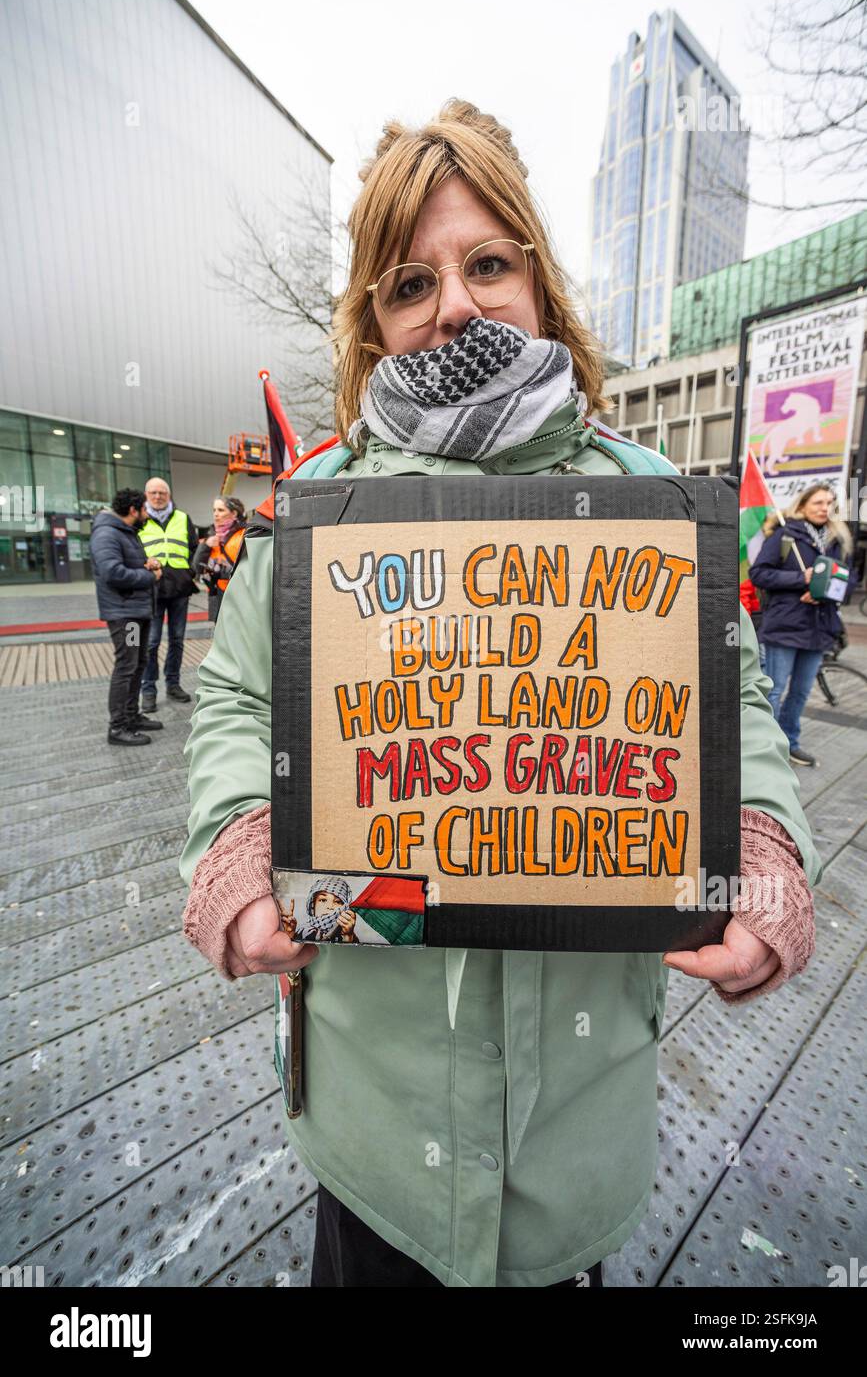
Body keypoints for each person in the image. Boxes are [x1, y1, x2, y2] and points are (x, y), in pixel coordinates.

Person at [178, 101, 821, 1289]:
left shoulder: (654, 509)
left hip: (567, 1146)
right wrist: (237, 842)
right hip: (377, 1140)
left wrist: (765, 851)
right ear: (374, 320)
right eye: (410, 282)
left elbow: (732, 715)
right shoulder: (315, 515)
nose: (455, 304)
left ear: (538, 276)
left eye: (485, 264)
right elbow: (235, 701)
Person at [750, 483, 855, 767]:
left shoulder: (837, 540)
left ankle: (789, 743)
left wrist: (828, 590)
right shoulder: (786, 535)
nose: (824, 508)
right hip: (785, 625)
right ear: (803, 505)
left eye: (829, 503)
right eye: (818, 502)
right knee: (774, 689)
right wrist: (802, 580)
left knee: (800, 692)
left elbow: (850, 578)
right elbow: (759, 573)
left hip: (820, 627)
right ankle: (765, 746)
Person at [90, 488, 165, 746]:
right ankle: (118, 727)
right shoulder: (107, 534)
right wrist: (149, 576)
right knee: (127, 666)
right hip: (126, 615)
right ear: (133, 510)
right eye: (144, 509)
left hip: (136, 611)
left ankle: (132, 717)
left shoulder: (125, 533)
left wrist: (147, 564)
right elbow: (112, 573)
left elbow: (125, 566)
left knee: (138, 663)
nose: (147, 514)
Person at [138, 476, 199, 710]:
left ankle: (173, 684)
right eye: (153, 493)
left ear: (169, 495)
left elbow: (194, 548)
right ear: (146, 496)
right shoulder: (141, 519)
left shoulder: (183, 518)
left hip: (179, 589)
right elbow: (134, 549)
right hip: (151, 588)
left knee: (176, 640)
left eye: (162, 493)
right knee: (151, 642)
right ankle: (148, 689)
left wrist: (191, 571)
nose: (157, 497)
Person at [193, 496, 247, 622]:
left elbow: (248, 571)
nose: (216, 514)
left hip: (239, 597)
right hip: (217, 596)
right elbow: (196, 568)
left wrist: (220, 572)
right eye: (214, 510)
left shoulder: (243, 535)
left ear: (234, 513)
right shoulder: (212, 535)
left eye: (221, 510)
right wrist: (205, 546)